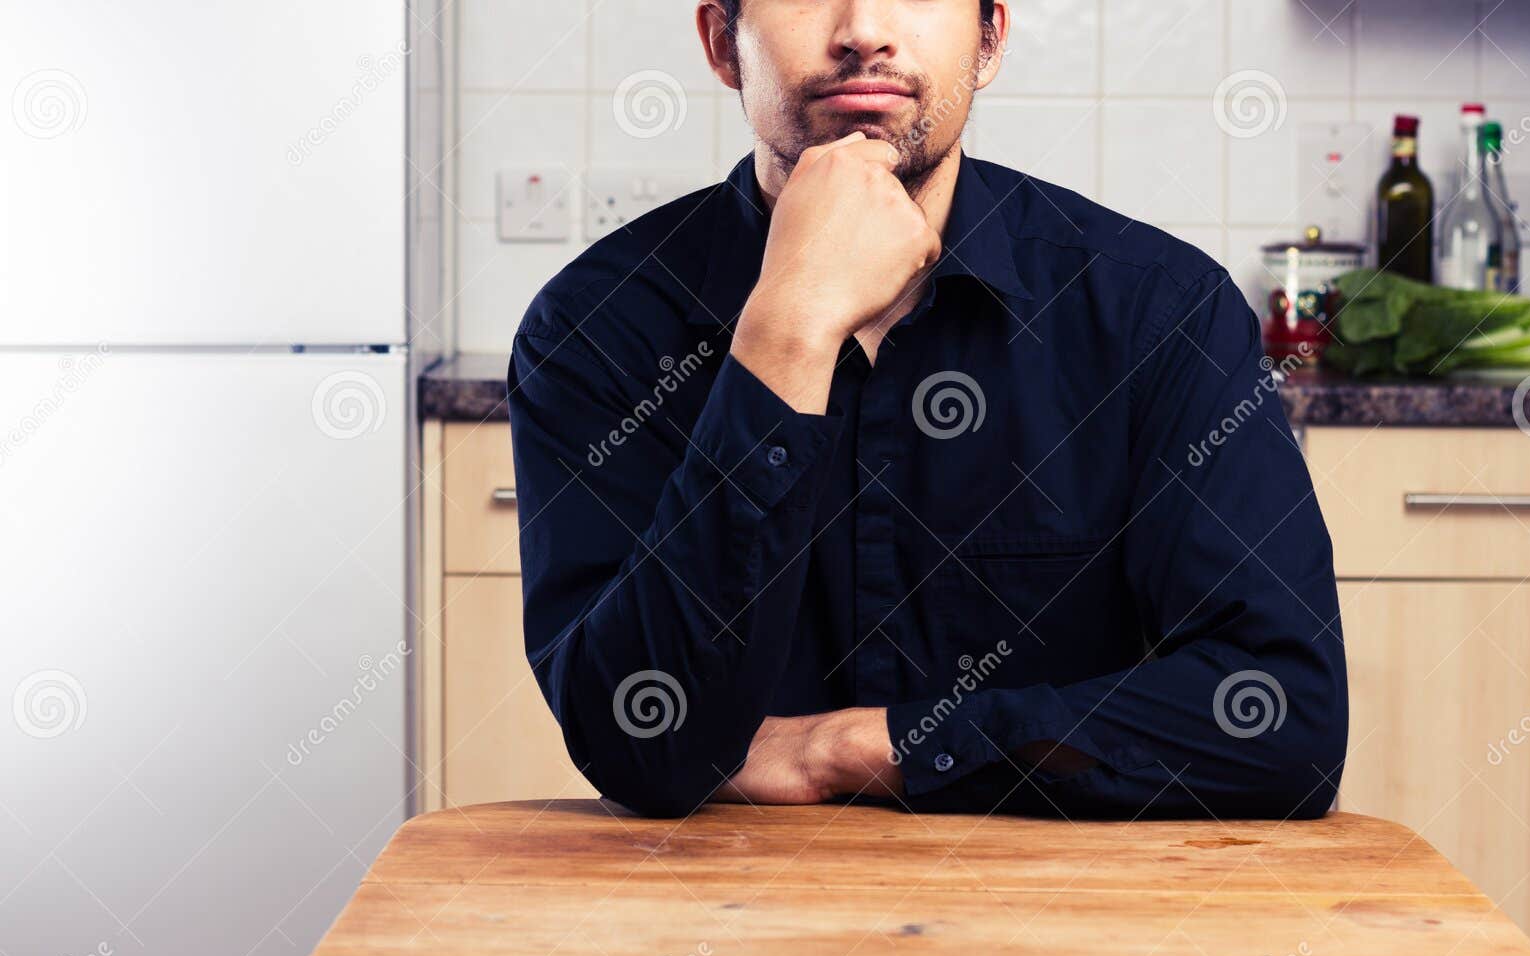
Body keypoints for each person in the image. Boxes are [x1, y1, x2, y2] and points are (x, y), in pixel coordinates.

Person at [506, 0, 1347, 819]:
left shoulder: (1158, 313)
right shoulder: (597, 326)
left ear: (989, 39)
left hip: (1068, 921)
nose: (862, 30)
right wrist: (788, 331)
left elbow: (1285, 721)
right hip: (716, 930)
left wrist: (849, 748)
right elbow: (637, 743)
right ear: (724, 42)